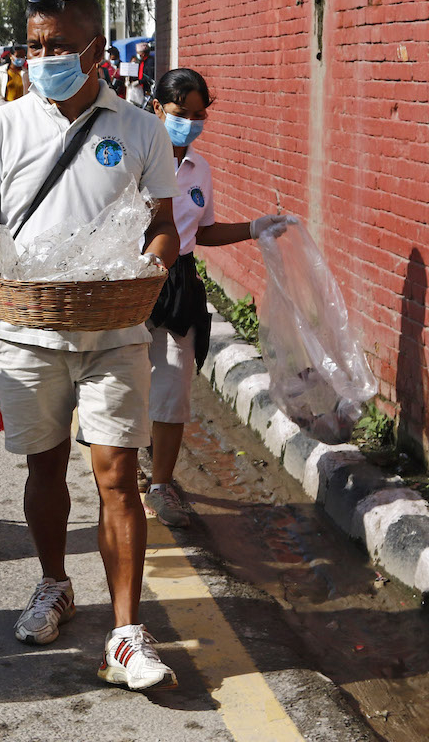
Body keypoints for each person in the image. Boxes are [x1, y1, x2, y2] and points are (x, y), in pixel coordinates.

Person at [0, 0, 181, 692]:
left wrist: (155, 263)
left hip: (118, 326)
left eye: (57, 46)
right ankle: (54, 583)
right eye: (34, 44)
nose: (43, 56)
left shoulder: (140, 128)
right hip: (30, 329)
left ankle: (125, 632)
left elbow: (163, 224)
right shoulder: (2, 126)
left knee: (118, 473)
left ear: (97, 51)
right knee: (44, 470)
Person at [140, 68, 294, 527]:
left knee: (172, 386)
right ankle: (123, 473)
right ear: (156, 109)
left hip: (178, 285)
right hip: (129, 280)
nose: (190, 121)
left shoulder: (199, 170)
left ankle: (162, 485)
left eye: (198, 113)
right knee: (124, 381)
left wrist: (253, 228)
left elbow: (200, 231)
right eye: (180, 113)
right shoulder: (133, 160)